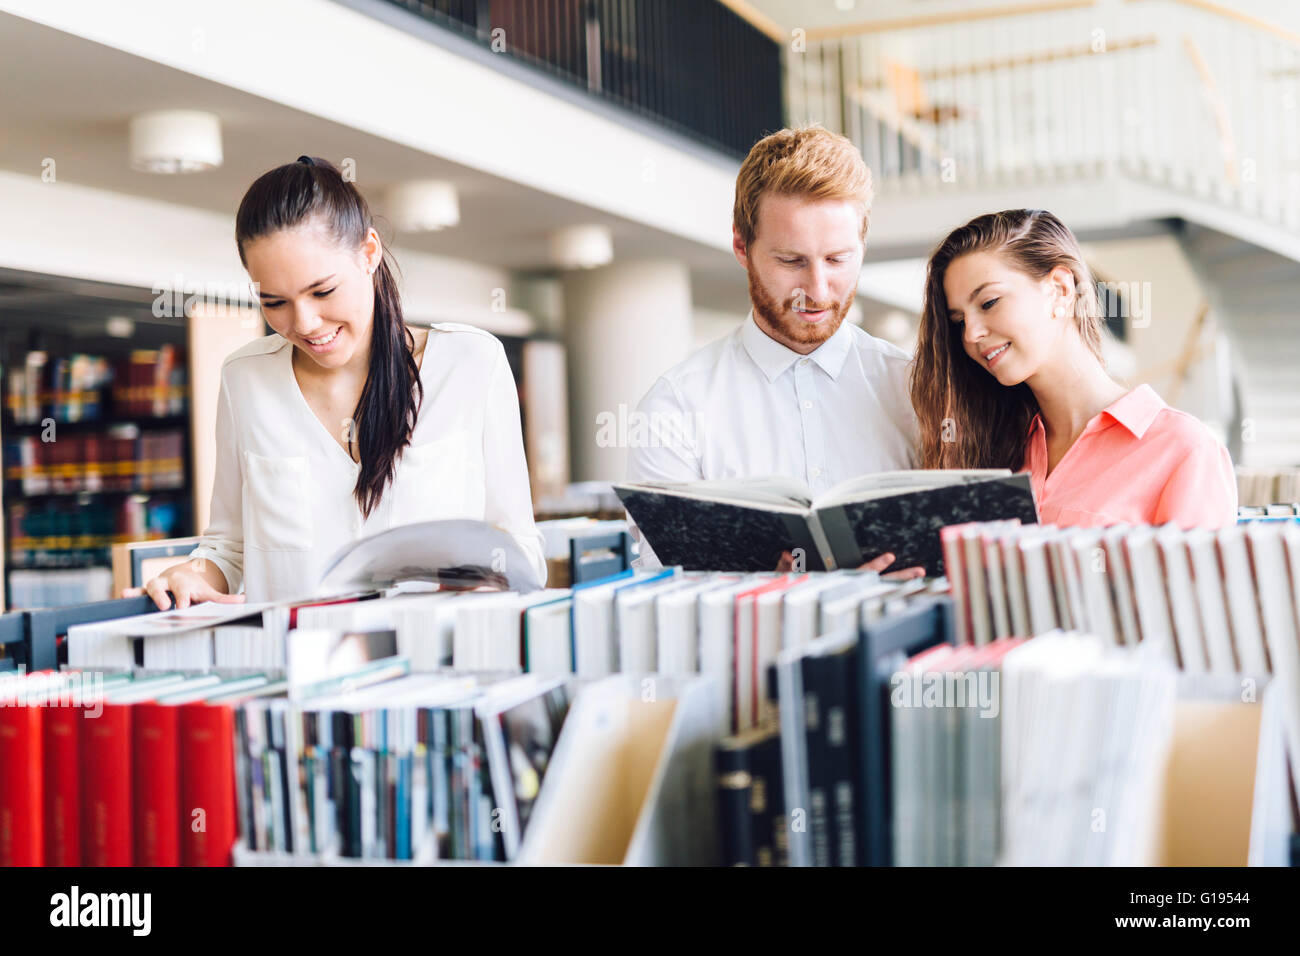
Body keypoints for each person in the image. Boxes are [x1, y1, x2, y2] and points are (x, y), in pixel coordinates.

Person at [127, 156, 545, 610]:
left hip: (437, 663)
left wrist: (484, 582)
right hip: (293, 669)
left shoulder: (471, 363)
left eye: (322, 291)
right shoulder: (244, 379)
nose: (304, 323)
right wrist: (189, 575)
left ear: (369, 253)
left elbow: (518, 547)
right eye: (274, 302)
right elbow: (229, 549)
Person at [626, 125, 924, 577]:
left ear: (862, 246)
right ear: (742, 247)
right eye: (791, 261)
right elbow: (661, 582)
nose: (818, 290)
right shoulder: (676, 405)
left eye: (838, 260)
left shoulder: (914, 388)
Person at [911, 208, 1236, 527]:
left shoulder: (1184, 450)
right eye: (959, 320)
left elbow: (1197, 581)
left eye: (989, 303)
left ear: (1061, 290)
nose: (971, 334)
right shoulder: (989, 448)